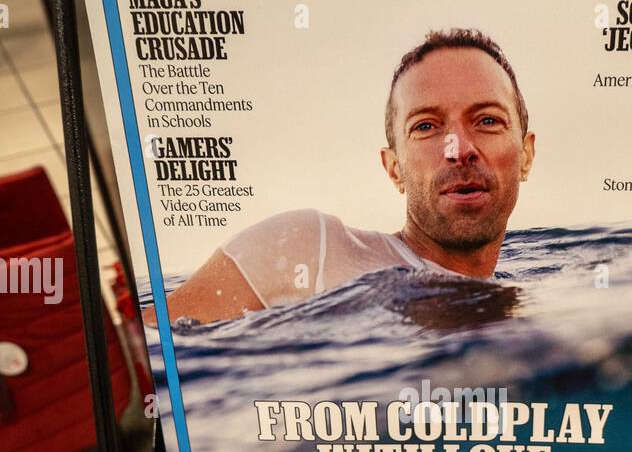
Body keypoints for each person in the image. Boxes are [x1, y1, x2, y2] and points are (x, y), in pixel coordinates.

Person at [147, 28, 535, 326]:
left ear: (526, 155)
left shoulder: (541, 306)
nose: (458, 148)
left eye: (487, 120)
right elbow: (140, 349)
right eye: (426, 126)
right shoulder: (311, 249)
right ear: (394, 168)